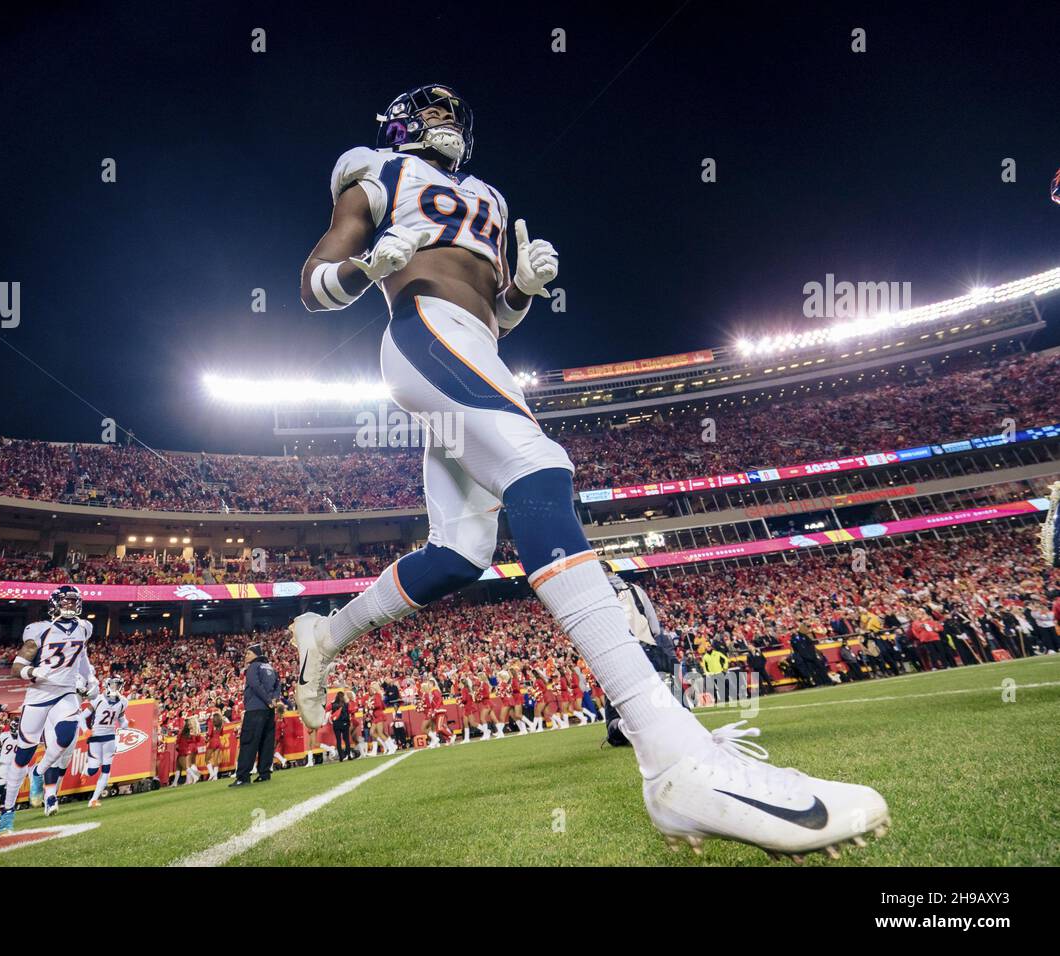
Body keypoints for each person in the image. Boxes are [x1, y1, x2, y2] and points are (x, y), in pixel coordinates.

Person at [288, 83, 887, 858]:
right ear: (401, 122)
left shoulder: (491, 199)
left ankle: (324, 635)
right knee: (540, 466)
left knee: (460, 554)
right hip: (421, 332)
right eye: (432, 110)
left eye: (453, 113)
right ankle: (670, 750)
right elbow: (311, 285)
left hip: (470, 342)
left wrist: (524, 292)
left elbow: (495, 310)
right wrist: (370, 266)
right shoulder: (375, 173)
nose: (447, 124)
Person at [0, 585, 98, 834]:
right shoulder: (41, 629)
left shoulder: (84, 627)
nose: (70, 606)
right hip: (39, 695)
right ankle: (7, 813)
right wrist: (32, 672)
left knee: (66, 736)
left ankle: (39, 772)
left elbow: (81, 656)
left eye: (74, 602)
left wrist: (91, 678)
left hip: (65, 692)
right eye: (65, 601)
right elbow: (17, 665)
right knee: (23, 754)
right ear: (54, 603)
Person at [231, 643, 279, 786]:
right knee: (266, 742)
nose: (246, 656)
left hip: (255, 709)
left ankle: (243, 777)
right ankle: (264, 774)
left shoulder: (253, 667)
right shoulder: (270, 667)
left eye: (248, 653)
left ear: (256, 654)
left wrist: (268, 700)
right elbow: (278, 685)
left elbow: (254, 685)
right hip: (269, 711)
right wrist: (274, 700)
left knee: (249, 741)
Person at [84, 677, 128, 807]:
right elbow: (82, 717)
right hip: (96, 736)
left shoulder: (123, 702)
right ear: (108, 685)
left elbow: (122, 722)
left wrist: (128, 723)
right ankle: (84, 771)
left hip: (109, 737)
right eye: (114, 685)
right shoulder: (98, 699)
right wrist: (85, 729)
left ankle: (93, 799)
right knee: (92, 770)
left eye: (118, 685)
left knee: (106, 769)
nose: (116, 687)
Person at [330, 691, 353, 760]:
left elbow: (328, 710)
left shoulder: (333, 704)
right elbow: (348, 713)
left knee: (338, 740)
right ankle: (348, 755)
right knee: (346, 740)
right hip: (344, 723)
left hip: (336, 724)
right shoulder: (345, 704)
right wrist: (348, 722)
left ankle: (341, 757)